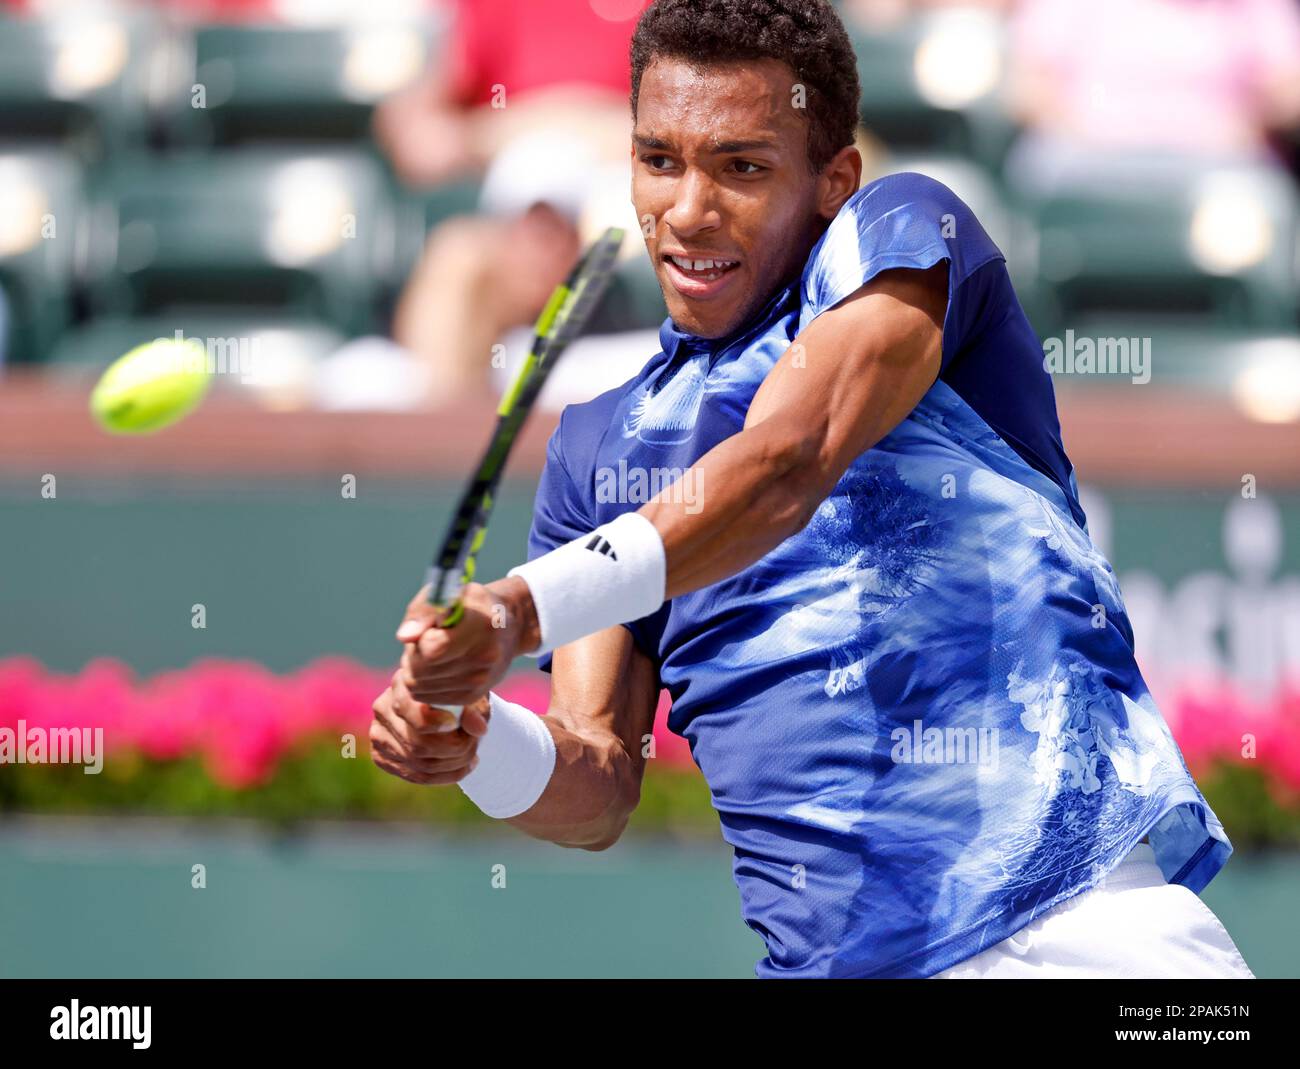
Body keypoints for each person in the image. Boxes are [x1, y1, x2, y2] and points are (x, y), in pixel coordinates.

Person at [369, 0, 1251, 979]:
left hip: (1083, 933)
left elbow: (785, 464)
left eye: (741, 167)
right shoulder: (595, 453)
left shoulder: (910, 236)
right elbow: (599, 785)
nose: (689, 210)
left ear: (834, 181)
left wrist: (519, 608)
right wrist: (476, 743)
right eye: (658, 161)